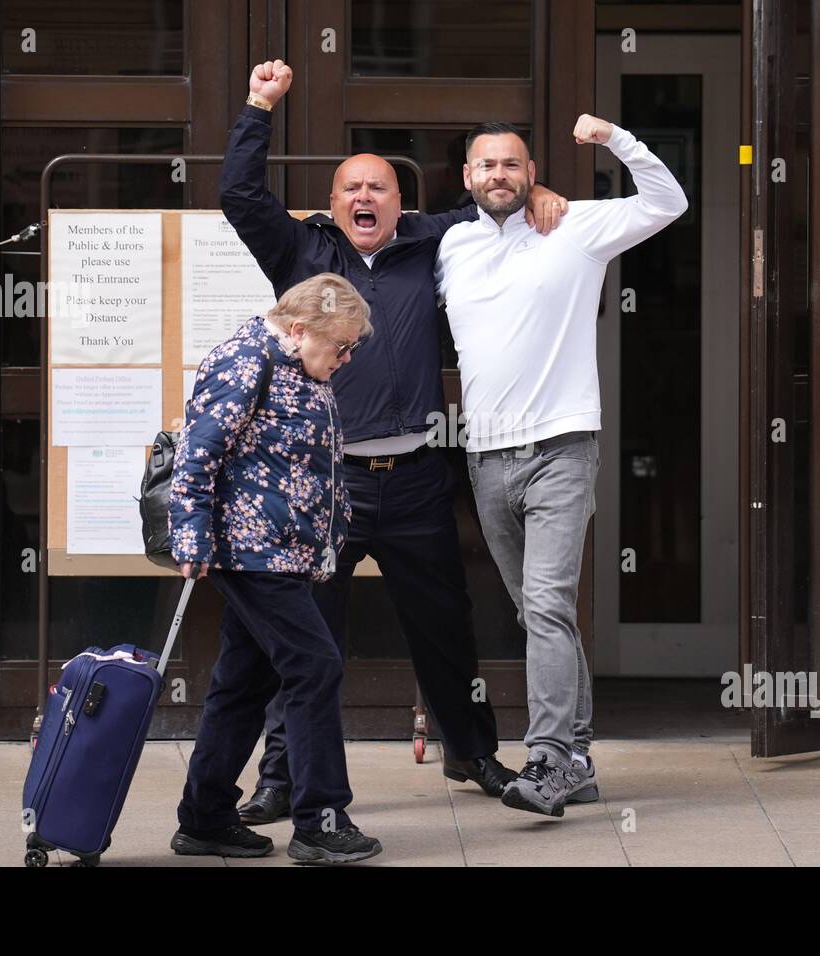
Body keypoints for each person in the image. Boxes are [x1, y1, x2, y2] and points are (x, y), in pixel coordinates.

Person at [222, 60, 569, 825]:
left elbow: (496, 206)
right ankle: (281, 776)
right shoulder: (299, 253)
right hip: (326, 483)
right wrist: (259, 106)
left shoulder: (432, 243)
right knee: (307, 640)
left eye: (379, 187)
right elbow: (239, 196)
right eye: (352, 188)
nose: (364, 198)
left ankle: (471, 751)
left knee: (445, 627)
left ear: (401, 202)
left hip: (413, 477)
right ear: (333, 202)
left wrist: (537, 193)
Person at [435, 116, 687, 816]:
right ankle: (576, 758)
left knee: (546, 605)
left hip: (562, 447)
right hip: (485, 456)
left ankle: (547, 758)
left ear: (531, 170)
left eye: (512, 165)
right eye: (485, 166)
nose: (498, 176)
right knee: (536, 611)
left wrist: (614, 140)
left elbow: (669, 202)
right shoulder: (449, 242)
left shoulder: (574, 228)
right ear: (466, 177)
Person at [168, 272, 383, 864]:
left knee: (244, 682)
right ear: (297, 329)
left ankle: (204, 819)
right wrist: (191, 540)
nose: (344, 359)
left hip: (285, 553)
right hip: (250, 551)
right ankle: (319, 821)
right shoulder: (244, 362)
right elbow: (197, 454)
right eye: (339, 347)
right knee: (315, 666)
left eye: (351, 349)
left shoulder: (298, 364)